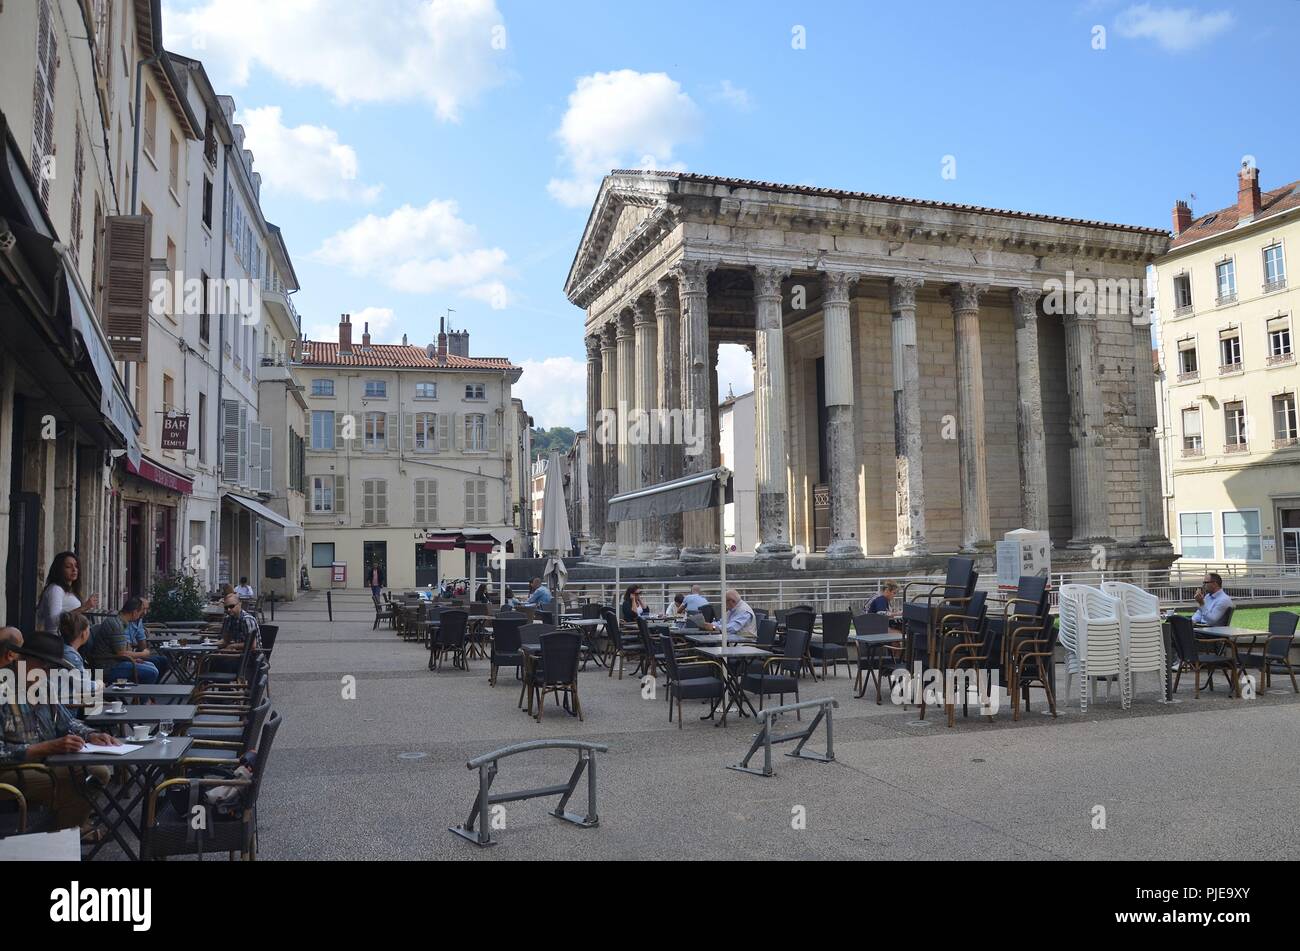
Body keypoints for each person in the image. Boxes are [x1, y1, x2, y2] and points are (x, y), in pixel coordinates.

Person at [0, 630, 119, 832]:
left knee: (99, 772)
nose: (46, 673)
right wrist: (42, 748)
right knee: (74, 784)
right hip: (9, 771)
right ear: (21, 660)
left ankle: (63, 833)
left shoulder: (45, 687)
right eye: (42, 666)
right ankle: (60, 837)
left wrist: (90, 734)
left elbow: (67, 722)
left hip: (44, 762)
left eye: (51, 667)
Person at [87, 597, 159, 684]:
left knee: (151, 666)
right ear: (135, 612)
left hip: (112, 662)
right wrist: (143, 654)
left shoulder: (119, 622)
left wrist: (133, 658)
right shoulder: (116, 625)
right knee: (151, 672)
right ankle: (141, 697)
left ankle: (139, 696)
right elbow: (122, 653)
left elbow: (122, 648)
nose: (141, 615)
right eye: (140, 612)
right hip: (106, 667)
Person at [35, 552, 99, 634]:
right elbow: (54, 621)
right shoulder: (55, 589)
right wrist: (84, 607)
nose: (74, 569)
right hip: (59, 639)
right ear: (59, 570)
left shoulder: (70, 590)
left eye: (76, 566)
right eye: (68, 566)